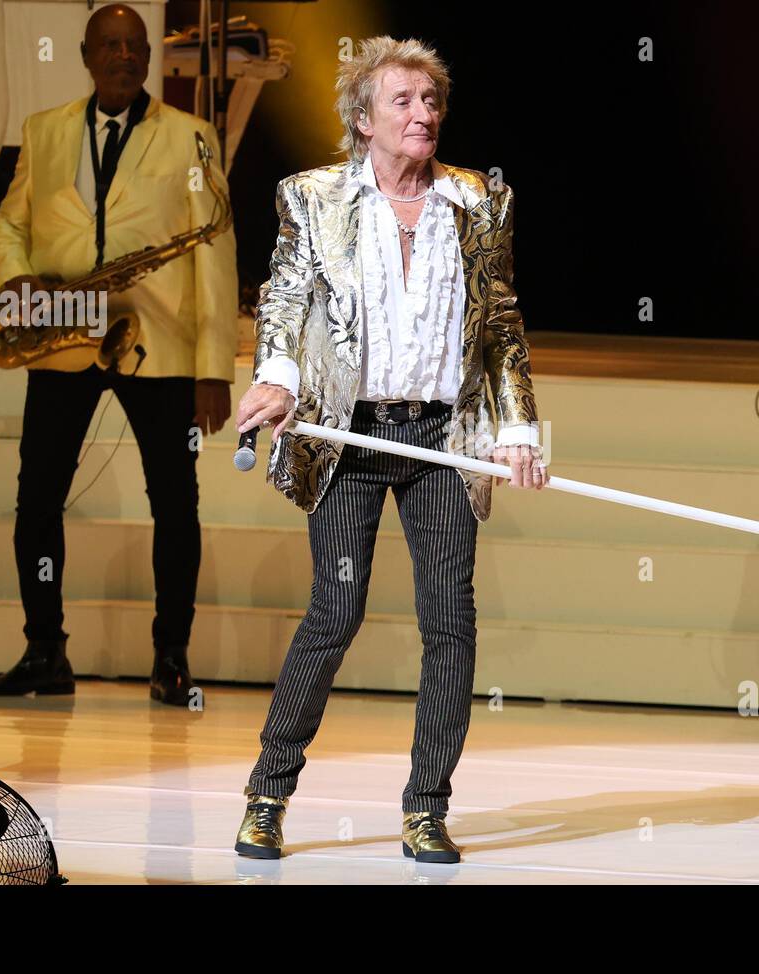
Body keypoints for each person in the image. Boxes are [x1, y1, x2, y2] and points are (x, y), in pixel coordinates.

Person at [233, 36, 545, 863]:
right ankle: (268, 794)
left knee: (450, 623)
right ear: (363, 119)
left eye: (431, 100)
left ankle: (426, 807)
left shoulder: (478, 201)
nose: (423, 114)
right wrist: (275, 380)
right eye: (403, 100)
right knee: (335, 613)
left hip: (444, 437)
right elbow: (288, 299)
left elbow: (502, 324)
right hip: (348, 432)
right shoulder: (314, 197)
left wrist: (517, 429)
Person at [0, 3, 238, 706]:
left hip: (157, 340)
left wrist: (214, 367)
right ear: (86, 55)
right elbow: (10, 228)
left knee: (175, 503)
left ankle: (170, 657)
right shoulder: (45, 130)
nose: (122, 56)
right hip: (63, 326)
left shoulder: (192, 135)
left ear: (147, 57)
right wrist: (18, 280)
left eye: (134, 46)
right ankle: (44, 650)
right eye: (109, 46)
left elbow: (214, 251)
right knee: (38, 501)